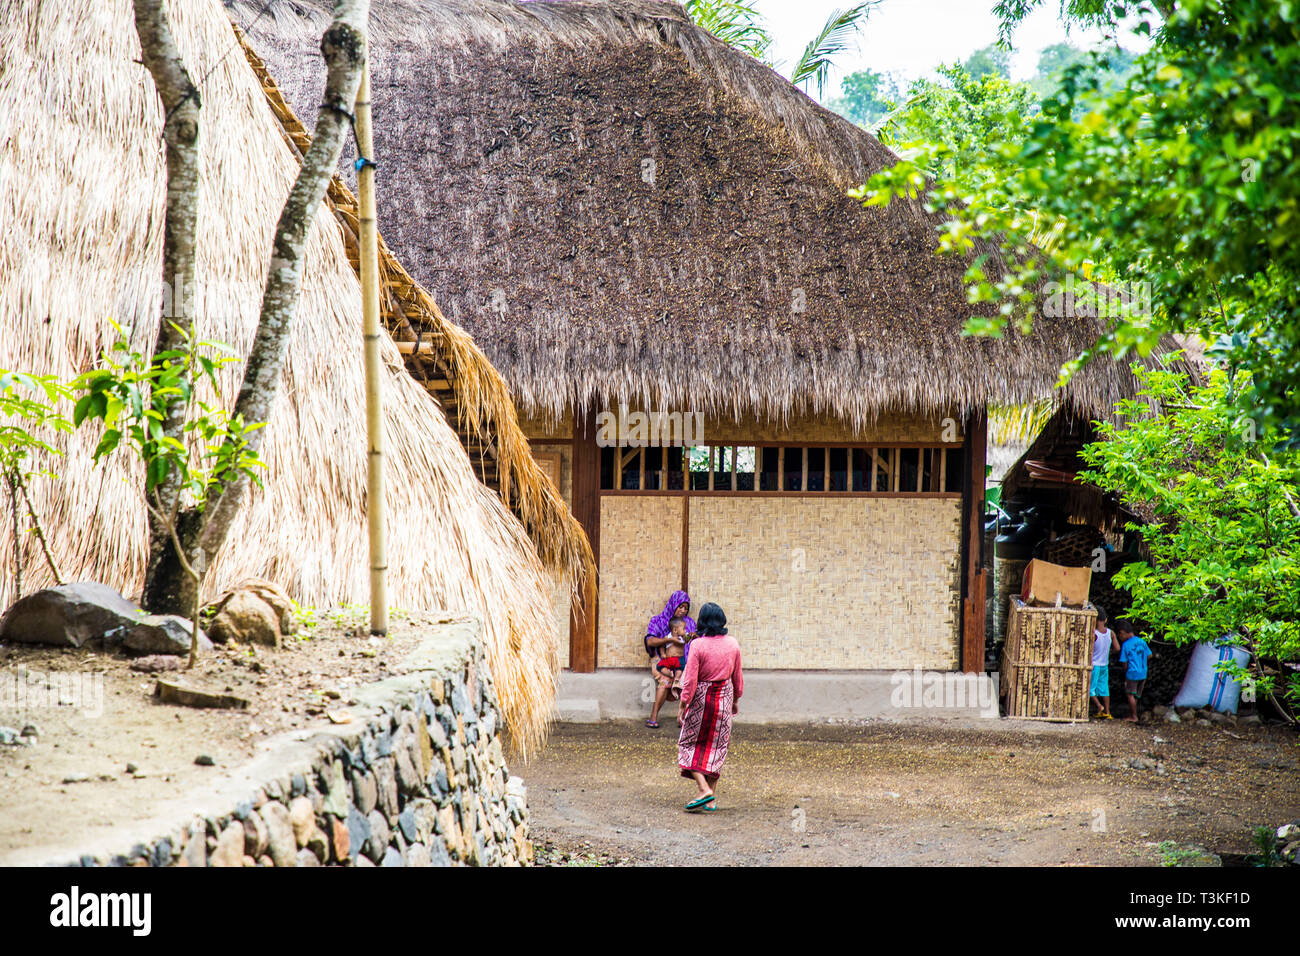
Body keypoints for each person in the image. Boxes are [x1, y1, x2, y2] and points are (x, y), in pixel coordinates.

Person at [677, 602, 743, 812]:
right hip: (724, 697)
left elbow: (690, 680)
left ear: (702, 622)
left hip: (701, 700)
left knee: (688, 743)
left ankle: (704, 789)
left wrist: (683, 704)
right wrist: (735, 699)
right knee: (716, 748)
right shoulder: (733, 644)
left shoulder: (697, 645)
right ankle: (711, 797)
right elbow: (737, 677)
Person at [644, 590, 695, 728]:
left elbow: (694, 642)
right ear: (673, 604)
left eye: (686, 608)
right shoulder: (658, 621)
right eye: (681, 606)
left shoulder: (689, 624)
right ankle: (653, 717)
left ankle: (683, 718)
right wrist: (669, 640)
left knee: (689, 680)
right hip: (662, 659)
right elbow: (650, 641)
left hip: (682, 661)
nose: (683, 610)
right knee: (664, 681)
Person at [1116, 620, 1152, 723]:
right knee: (1136, 695)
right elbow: (1149, 655)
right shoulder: (1142, 641)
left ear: (1122, 632)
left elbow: (1124, 662)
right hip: (1143, 672)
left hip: (1132, 673)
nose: (1119, 637)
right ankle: (1133, 713)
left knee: (1130, 694)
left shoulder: (1126, 645)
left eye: (1120, 634)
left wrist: (1126, 671)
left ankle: (1134, 716)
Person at [1090, 609, 1120, 719]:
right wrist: (1109, 652)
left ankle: (1099, 706)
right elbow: (1117, 648)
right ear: (1106, 619)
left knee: (1090, 688)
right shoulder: (1111, 633)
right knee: (1104, 688)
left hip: (1094, 664)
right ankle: (1107, 712)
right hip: (1104, 664)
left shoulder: (1094, 633)